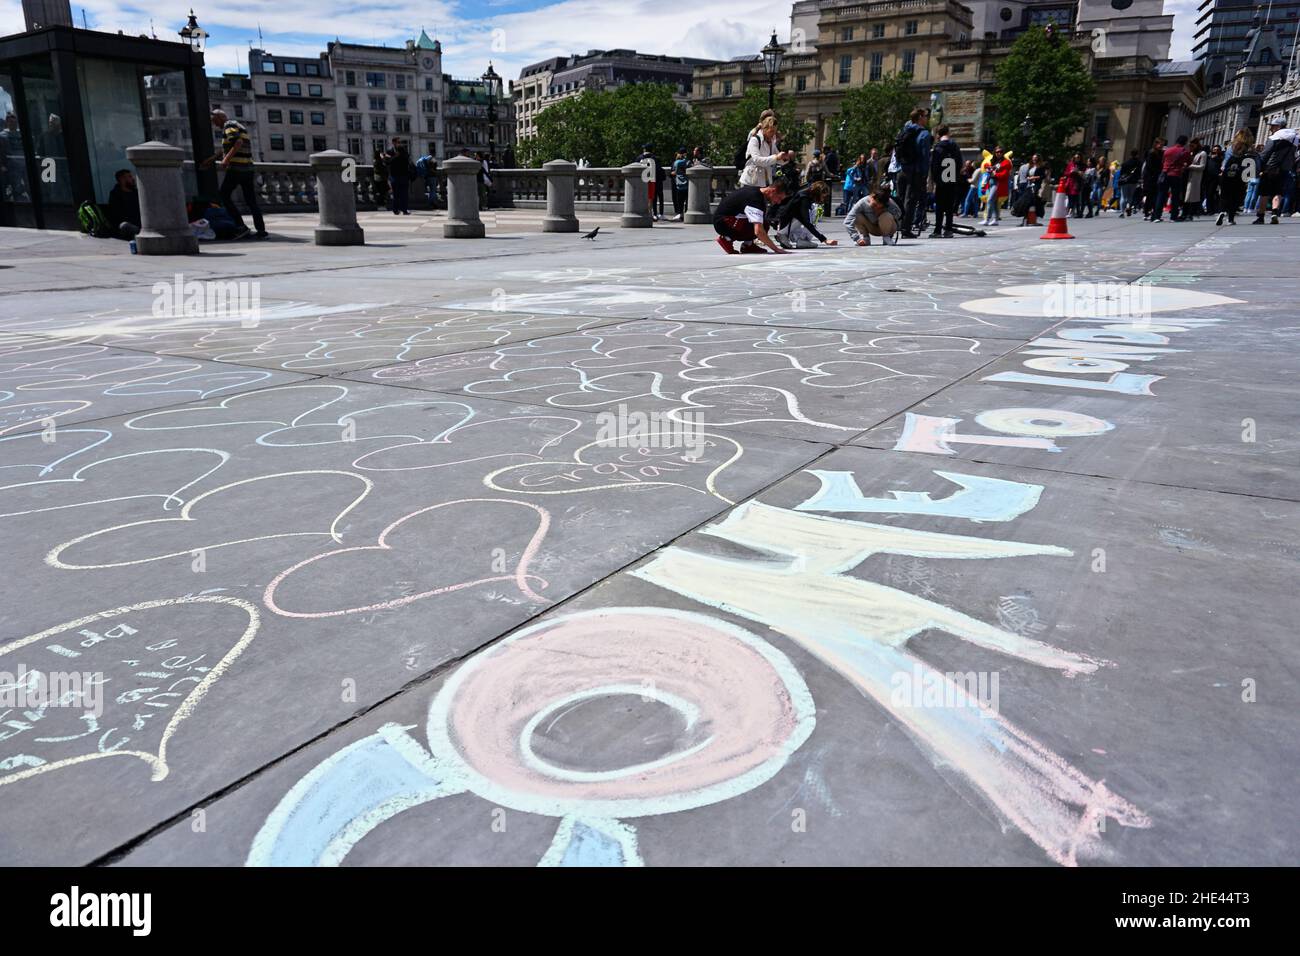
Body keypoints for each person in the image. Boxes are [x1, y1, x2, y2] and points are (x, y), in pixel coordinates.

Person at [202, 109, 265, 240]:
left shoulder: (229, 125)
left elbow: (238, 143)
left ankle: (241, 227)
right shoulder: (237, 125)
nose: (215, 125)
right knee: (251, 201)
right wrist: (212, 159)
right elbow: (229, 146)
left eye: (214, 121)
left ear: (219, 117)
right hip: (248, 168)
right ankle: (261, 231)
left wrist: (226, 160)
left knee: (224, 195)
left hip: (237, 168)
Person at [712, 178, 790, 254]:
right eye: (779, 198)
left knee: (764, 223)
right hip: (723, 222)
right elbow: (758, 231)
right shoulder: (755, 199)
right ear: (773, 190)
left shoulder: (757, 192)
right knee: (761, 226)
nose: (778, 202)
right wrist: (776, 249)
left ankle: (748, 245)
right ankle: (726, 239)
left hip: (728, 219)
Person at [1253, 119, 1298, 225]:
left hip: (1270, 168)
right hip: (1285, 169)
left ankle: (1261, 216)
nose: (1270, 128)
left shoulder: (1274, 138)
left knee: (1264, 192)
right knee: (1278, 192)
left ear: (1279, 127)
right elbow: (1295, 155)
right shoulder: (1295, 139)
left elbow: (1265, 154)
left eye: (1273, 126)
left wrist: (1259, 167)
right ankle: (1274, 213)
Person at [894, 107, 929, 238]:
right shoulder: (923, 134)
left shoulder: (904, 130)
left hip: (901, 169)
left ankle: (897, 225)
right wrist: (925, 173)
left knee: (900, 198)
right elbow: (925, 156)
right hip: (915, 171)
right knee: (911, 200)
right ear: (920, 118)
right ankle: (906, 229)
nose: (927, 119)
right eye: (925, 116)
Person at [772, 181, 838, 248]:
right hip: (784, 225)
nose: (823, 199)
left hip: (783, 224)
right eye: (823, 196)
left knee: (807, 216)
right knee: (811, 215)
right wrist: (824, 239)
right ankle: (791, 237)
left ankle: (789, 237)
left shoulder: (804, 194)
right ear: (817, 193)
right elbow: (806, 221)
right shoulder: (804, 199)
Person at [739, 116, 793, 189]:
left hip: (765, 181)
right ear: (764, 129)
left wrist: (785, 157)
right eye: (771, 131)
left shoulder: (771, 142)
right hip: (751, 182)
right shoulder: (754, 140)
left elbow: (778, 160)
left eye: (774, 131)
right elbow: (757, 160)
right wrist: (776, 157)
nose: (773, 134)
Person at [928, 124, 962, 238]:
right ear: (948, 132)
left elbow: (934, 166)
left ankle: (937, 230)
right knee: (949, 207)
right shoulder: (955, 146)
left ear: (938, 134)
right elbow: (959, 163)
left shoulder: (937, 148)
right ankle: (948, 229)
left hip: (941, 180)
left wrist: (934, 180)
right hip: (952, 179)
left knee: (939, 206)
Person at [1217, 129, 1253, 226]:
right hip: (1240, 174)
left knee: (1224, 194)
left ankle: (1221, 212)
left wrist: (1222, 170)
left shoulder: (1231, 147)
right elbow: (1250, 163)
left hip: (1227, 173)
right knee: (1235, 196)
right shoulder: (1249, 149)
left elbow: (1225, 161)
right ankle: (1230, 219)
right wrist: (1249, 176)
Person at [1151, 134, 1190, 223]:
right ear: (1185, 142)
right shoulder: (1184, 151)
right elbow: (1188, 162)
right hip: (1176, 175)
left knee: (1161, 195)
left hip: (1165, 174)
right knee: (1175, 196)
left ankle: (1157, 216)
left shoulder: (1168, 150)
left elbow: (1163, 161)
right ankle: (1173, 217)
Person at [106, 168, 140, 239]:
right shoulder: (115, 195)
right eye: (130, 177)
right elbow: (116, 216)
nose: (133, 179)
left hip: (141, 224)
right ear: (122, 180)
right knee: (124, 225)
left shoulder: (136, 192)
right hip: (129, 225)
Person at [983, 146, 1011, 225]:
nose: (999, 153)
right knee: (995, 202)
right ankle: (995, 220)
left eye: (1001, 152)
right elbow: (987, 166)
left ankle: (987, 219)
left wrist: (995, 174)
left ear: (1003, 153)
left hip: (998, 183)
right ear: (994, 153)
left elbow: (1005, 174)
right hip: (991, 182)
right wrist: (989, 169)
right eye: (997, 152)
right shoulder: (993, 161)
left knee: (990, 200)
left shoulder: (1006, 162)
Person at [638, 143, 666, 221]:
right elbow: (659, 170)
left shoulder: (639, 158)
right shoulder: (655, 158)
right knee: (652, 198)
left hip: (642, 180)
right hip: (653, 179)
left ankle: (643, 212)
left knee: (643, 197)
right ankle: (653, 213)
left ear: (644, 149)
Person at [1182, 138, 1206, 221]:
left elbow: (1202, 166)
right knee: (1185, 196)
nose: (1190, 147)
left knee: (1190, 196)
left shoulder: (1202, 153)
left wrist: (1190, 166)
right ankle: (1184, 213)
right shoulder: (1190, 152)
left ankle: (1189, 213)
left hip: (1195, 177)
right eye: (1190, 146)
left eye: (1192, 146)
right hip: (1186, 176)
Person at [386, 137, 412, 215]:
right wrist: (395, 156)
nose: (399, 143)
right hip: (394, 175)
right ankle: (395, 209)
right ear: (393, 142)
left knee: (404, 194)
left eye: (400, 142)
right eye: (398, 142)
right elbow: (387, 162)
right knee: (396, 194)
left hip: (404, 175)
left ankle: (404, 210)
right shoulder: (389, 151)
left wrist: (402, 154)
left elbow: (407, 159)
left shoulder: (403, 150)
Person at [1141, 137, 1164, 219]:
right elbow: (1149, 166)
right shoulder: (1151, 153)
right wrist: (1158, 172)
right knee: (1150, 195)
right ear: (1156, 144)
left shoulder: (1161, 153)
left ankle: (1154, 212)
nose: (1161, 146)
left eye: (1162, 144)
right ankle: (1146, 212)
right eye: (1160, 144)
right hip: (1150, 177)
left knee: (1155, 195)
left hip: (1156, 176)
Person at [804, 149, 829, 216]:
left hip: (812, 183)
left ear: (814, 156)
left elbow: (807, 174)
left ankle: (811, 211)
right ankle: (819, 212)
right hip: (820, 183)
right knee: (820, 197)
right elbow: (827, 172)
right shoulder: (822, 163)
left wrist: (807, 180)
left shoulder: (811, 163)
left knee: (811, 197)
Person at [1118, 150, 1142, 216]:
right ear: (1137, 155)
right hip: (1133, 181)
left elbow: (1121, 173)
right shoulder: (1139, 163)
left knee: (1123, 196)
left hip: (1124, 181)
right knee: (1130, 196)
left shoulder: (1125, 163)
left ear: (1130, 155)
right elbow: (1140, 173)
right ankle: (1128, 207)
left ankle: (1122, 212)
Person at [670, 146, 689, 222]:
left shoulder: (676, 162)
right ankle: (686, 214)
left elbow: (673, 172)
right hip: (687, 184)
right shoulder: (688, 162)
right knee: (687, 201)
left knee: (680, 201)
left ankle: (680, 214)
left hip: (679, 184)